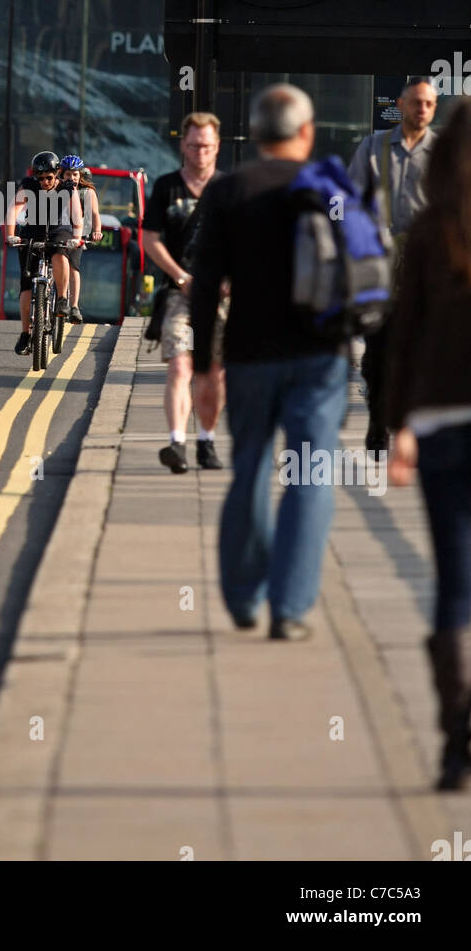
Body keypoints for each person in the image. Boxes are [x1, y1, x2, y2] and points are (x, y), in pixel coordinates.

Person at [190, 85, 349, 640]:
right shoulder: (331, 187)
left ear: (255, 134)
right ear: (305, 133)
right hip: (322, 359)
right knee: (310, 477)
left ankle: (242, 596)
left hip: (250, 356)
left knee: (251, 470)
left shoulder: (230, 191)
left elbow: (205, 287)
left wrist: (206, 371)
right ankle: (290, 609)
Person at [386, 98, 471, 790]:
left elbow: (399, 339)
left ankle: (453, 739)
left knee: (452, 583)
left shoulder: (427, 231)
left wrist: (397, 429)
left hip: (441, 426)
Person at [348, 76, 438, 452]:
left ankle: (406, 427)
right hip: (380, 268)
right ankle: (377, 418)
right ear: (401, 104)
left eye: (429, 104)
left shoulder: (443, 153)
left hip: (424, 269)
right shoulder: (373, 147)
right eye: (416, 102)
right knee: (378, 352)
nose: (422, 110)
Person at [142, 112, 226, 474]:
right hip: (177, 291)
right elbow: (149, 240)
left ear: (217, 146)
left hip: (220, 294)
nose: (200, 153)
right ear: (183, 145)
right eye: (193, 146)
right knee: (180, 365)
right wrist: (179, 278)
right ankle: (177, 441)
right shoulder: (165, 187)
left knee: (213, 373)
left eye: (206, 146)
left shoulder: (229, 189)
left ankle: (206, 440)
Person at [5, 151, 83, 355]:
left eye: (49, 177)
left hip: (58, 230)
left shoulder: (67, 188)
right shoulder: (29, 186)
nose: (45, 182)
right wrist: (11, 235)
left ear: (57, 174)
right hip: (33, 231)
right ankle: (25, 334)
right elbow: (13, 209)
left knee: (59, 253)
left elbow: (77, 216)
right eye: (40, 178)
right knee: (26, 285)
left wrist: (76, 237)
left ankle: (62, 299)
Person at [58, 156, 102, 324]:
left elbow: (95, 214)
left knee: (73, 266)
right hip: (59, 231)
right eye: (68, 174)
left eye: (75, 174)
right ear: (62, 175)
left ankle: (74, 307)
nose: (72, 178)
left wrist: (97, 231)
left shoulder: (87, 192)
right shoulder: (56, 189)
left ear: (80, 175)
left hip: (77, 234)